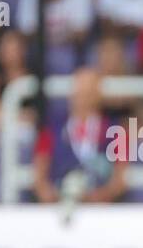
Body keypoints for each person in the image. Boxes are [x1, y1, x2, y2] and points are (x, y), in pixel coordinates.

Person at [31, 68, 128, 204]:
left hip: (101, 211)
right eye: (80, 90)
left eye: (89, 91)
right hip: (59, 206)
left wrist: (101, 196)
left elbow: (120, 180)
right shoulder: (51, 130)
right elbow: (39, 178)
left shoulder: (117, 132)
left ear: (99, 94)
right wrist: (54, 197)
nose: (84, 96)